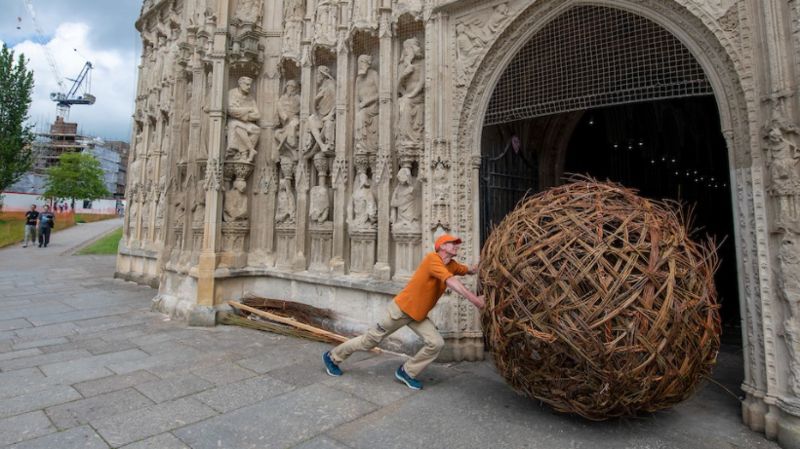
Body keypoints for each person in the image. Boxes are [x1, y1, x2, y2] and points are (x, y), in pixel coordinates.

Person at [323, 234, 485, 390]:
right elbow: (450, 281)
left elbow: (469, 270)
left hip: (418, 315)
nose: (456, 246)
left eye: (457, 243)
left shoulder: (452, 264)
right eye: (452, 243)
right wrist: (476, 300)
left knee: (436, 343)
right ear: (441, 246)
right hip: (400, 311)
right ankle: (332, 357)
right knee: (368, 342)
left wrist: (485, 262)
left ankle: (407, 371)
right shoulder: (432, 259)